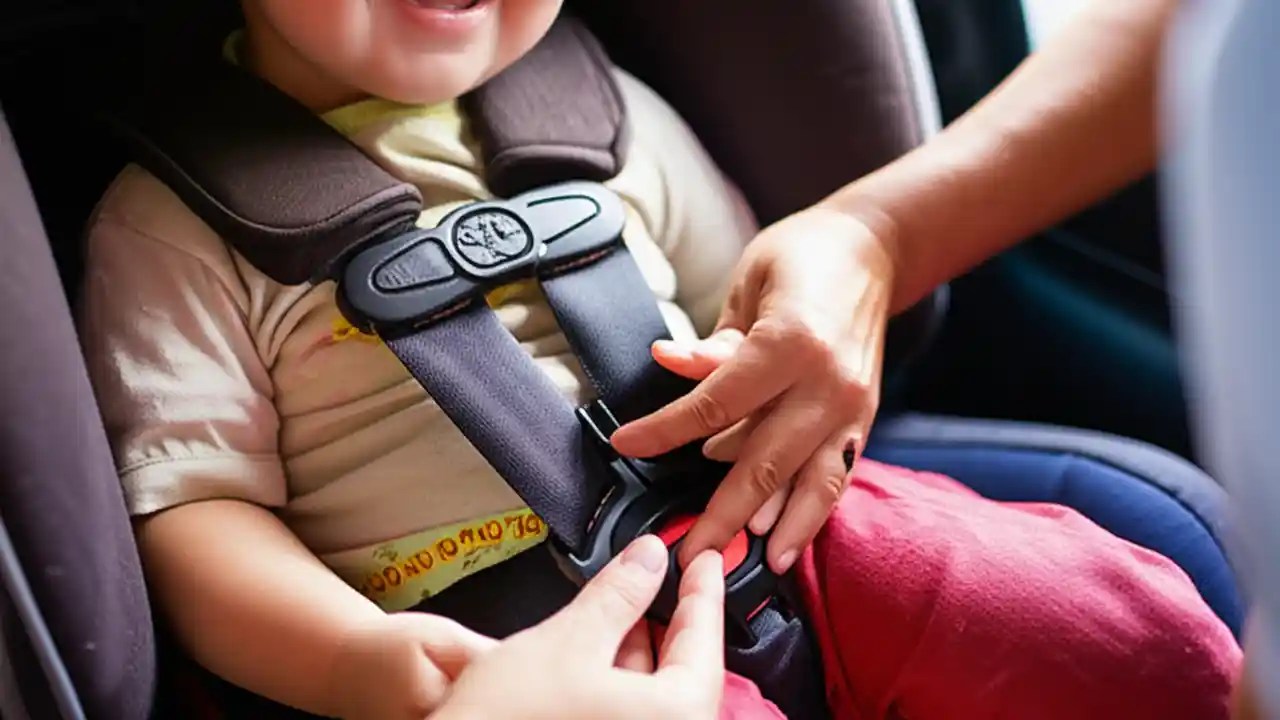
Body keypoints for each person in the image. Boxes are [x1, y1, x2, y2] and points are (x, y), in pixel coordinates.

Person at [78, 0, 1238, 718]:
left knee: (1123, 637)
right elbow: (194, 511)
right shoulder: (172, 225)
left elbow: (739, 305)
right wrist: (361, 664)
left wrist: (769, 379)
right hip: (514, 648)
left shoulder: (600, 113)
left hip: (771, 519)